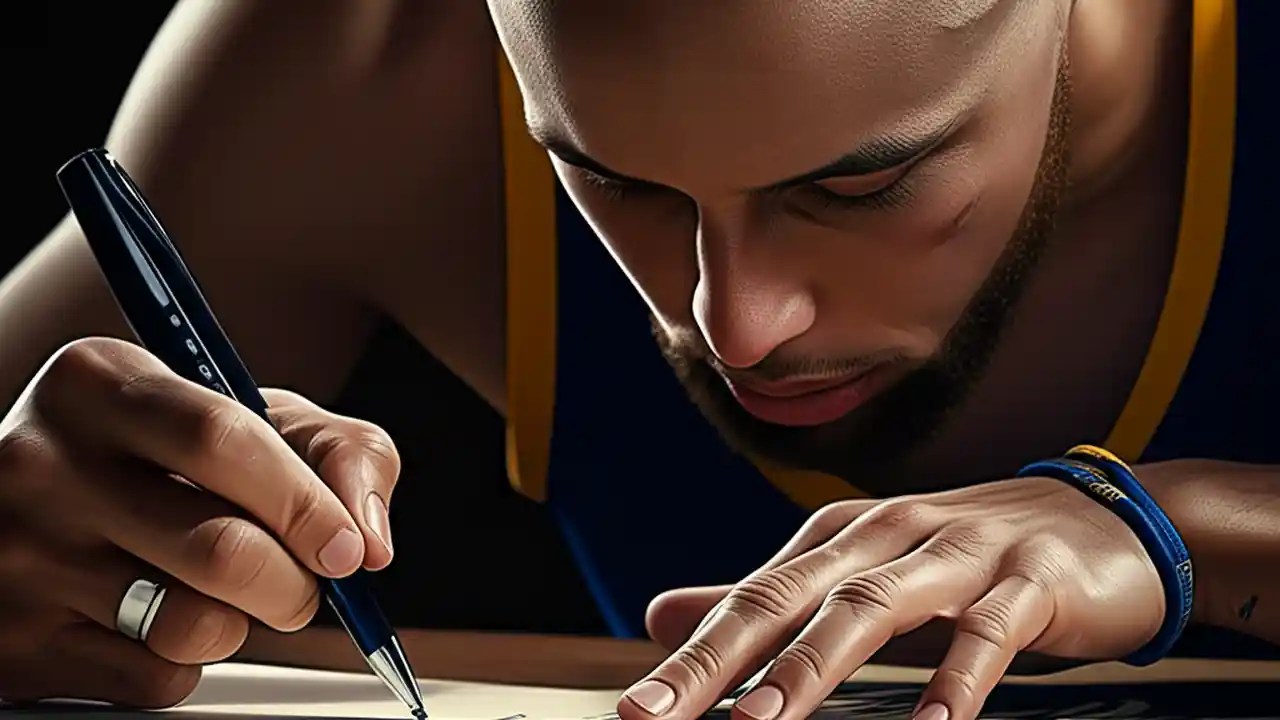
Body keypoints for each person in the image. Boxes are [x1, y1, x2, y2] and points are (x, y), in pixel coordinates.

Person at [0, 0, 1276, 718]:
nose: (732, 325)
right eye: (607, 181)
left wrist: (1182, 525)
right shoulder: (372, 64)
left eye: (862, 184)